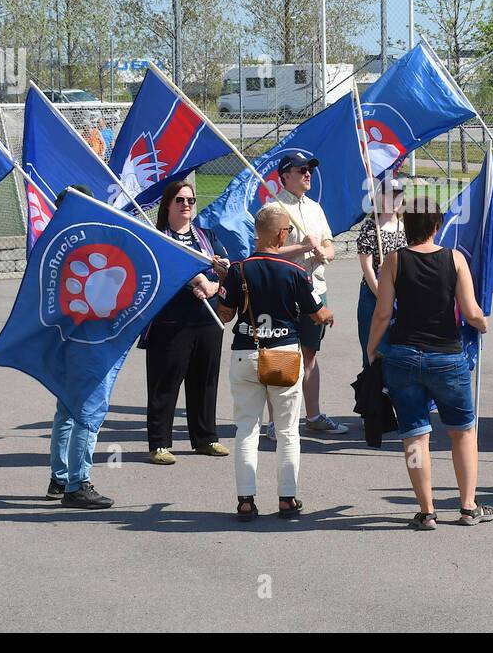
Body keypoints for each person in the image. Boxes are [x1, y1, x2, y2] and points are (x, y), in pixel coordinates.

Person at [367, 201, 492, 529]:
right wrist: (482, 322)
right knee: (462, 431)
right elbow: (470, 311)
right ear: (437, 224)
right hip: (446, 356)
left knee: (414, 433)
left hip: (403, 355)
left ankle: (427, 510)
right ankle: (467, 506)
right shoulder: (455, 259)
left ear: (407, 224)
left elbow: (382, 313)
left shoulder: (394, 260)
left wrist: (371, 347)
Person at [216, 204, 335, 521]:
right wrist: (329, 315)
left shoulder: (238, 270)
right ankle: (287, 499)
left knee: (246, 430)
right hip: (282, 354)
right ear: (282, 234)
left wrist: (223, 285)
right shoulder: (294, 272)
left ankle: (245, 500)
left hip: (245, 352)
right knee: (287, 431)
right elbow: (318, 314)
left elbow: (224, 315)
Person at [144, 179, 232, 464]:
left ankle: (205, 438)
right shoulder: (158, 236)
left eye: (191, 201)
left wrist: (213, 285)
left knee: (205, 380)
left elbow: (226, 270)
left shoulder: (206, 236)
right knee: (165, 383)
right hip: (171, 323)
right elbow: (160, 271)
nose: (186, 205)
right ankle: (159, 443)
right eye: (180, 200)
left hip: (207, 319)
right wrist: (195, 279)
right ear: (168, 204)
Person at [46, 185, 118, 509]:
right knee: (88, 411)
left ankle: (59, 478)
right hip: (89, 339)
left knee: (67, 409)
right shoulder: (87, 246)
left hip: (63, 340)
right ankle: (78, 483)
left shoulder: (52, 245)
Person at [273, 151, 347, 435]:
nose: (307, 174)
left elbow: (329, 246)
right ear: (285, 176)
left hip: (315, 290)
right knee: (281, 356)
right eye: (301, 169)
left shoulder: (316, 208)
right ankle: (276, 422)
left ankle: (313, 416)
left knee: (310, 354)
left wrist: (323, 251)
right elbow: (267, 251)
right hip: (284, 293)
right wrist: (303, 247)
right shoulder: (274, 208)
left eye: (310, 170)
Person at [355, 173, 406, 366]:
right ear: (380, 197)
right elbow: (367, 266)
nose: (394, 199)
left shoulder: (405, 228)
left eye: (398, 195)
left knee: (394, 350)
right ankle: (371, 391)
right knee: (372, 347)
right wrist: (381, 293)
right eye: (390, 195)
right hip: (372, 294)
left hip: (399, 294)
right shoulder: (370, 227)